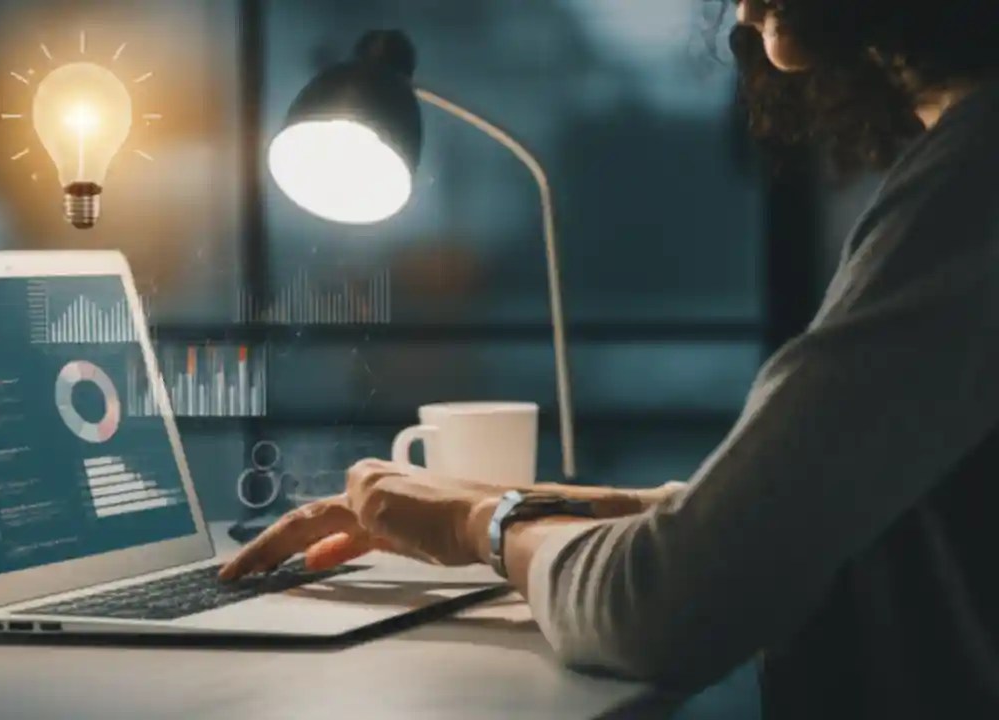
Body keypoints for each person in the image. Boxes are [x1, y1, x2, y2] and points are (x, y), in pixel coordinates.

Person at [222, 1, 999, 717]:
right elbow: (793, 511)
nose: (738, 4)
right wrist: (519, 499)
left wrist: (476, 522)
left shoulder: (974, 186)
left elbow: (673, 601)